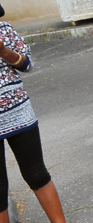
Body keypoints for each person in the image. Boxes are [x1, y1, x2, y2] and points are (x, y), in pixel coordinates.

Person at [0, 16, 66, 223]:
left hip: (18, 112)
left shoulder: (4, 29)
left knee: (36, 173)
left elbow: (27, 64)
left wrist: (3, 52)